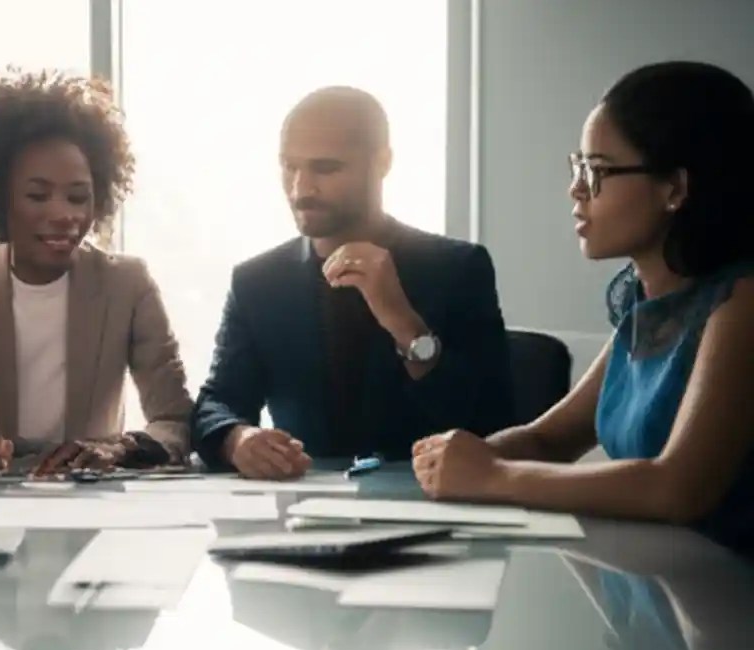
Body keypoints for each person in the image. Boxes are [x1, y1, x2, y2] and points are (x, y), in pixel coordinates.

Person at [412, 61, 754, 555]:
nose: (576, 189)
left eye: (597, 171)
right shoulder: (646, 302)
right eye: (578, 167)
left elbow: (677, 489)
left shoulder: (742, 302)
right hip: (664, 589)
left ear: (675, 189)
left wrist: (492, 476)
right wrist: (455, 459)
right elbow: (548, 441)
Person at [192, 86, 513, 480]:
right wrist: (237, 439)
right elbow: (216, 402)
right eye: (289, 167)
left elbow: (494, 422)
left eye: (325, 169)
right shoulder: (257, 282)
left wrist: (405, 325)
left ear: (382, 163)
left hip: (429, 505)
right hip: (303, 510)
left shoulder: (459, 268)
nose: (300, 189)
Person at [0, 68, 192, 476]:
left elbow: (175, 420)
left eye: (78, 197)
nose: (64, 215)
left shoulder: (128, 284)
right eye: (37, 195)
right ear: (0, 196)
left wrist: (120, 450)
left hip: (91, 496)